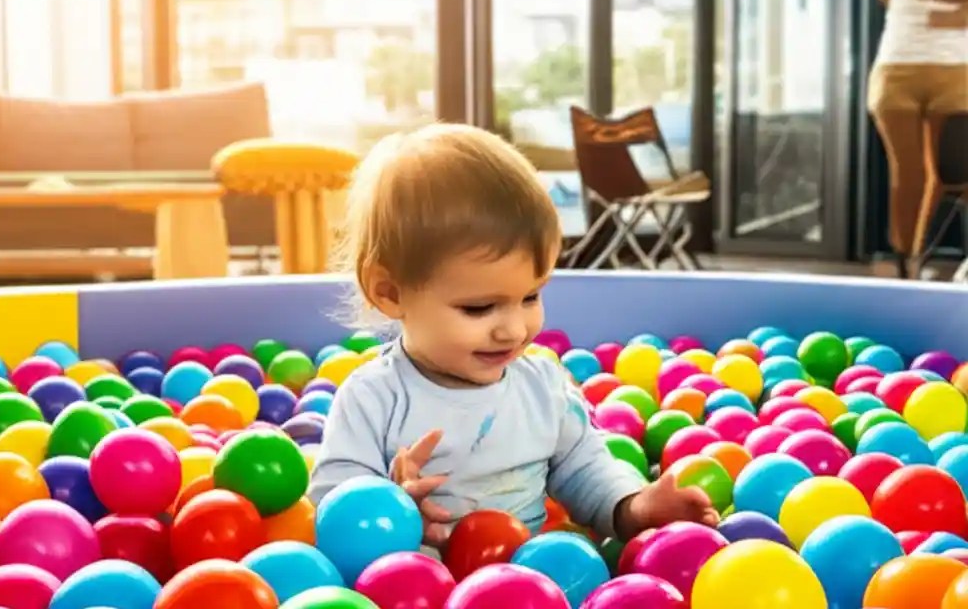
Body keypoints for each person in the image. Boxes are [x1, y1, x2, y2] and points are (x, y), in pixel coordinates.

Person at [307, 124, 719, 551]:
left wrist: (634, 507)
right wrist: (392, 505)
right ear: (390, 293)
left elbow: (585, 468)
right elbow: (332, 504)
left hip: (535, 580)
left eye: (530, 296)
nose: (514, 329)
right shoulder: (373, 398)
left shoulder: (541, 387)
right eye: (479, 308)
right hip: (416, 587)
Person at [869, 0, 968, 278]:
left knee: (947, 174)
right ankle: (907, 265)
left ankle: (934, 258)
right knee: (908, 173)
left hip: (956, 72)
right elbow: (890, 1)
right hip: (896, 70)